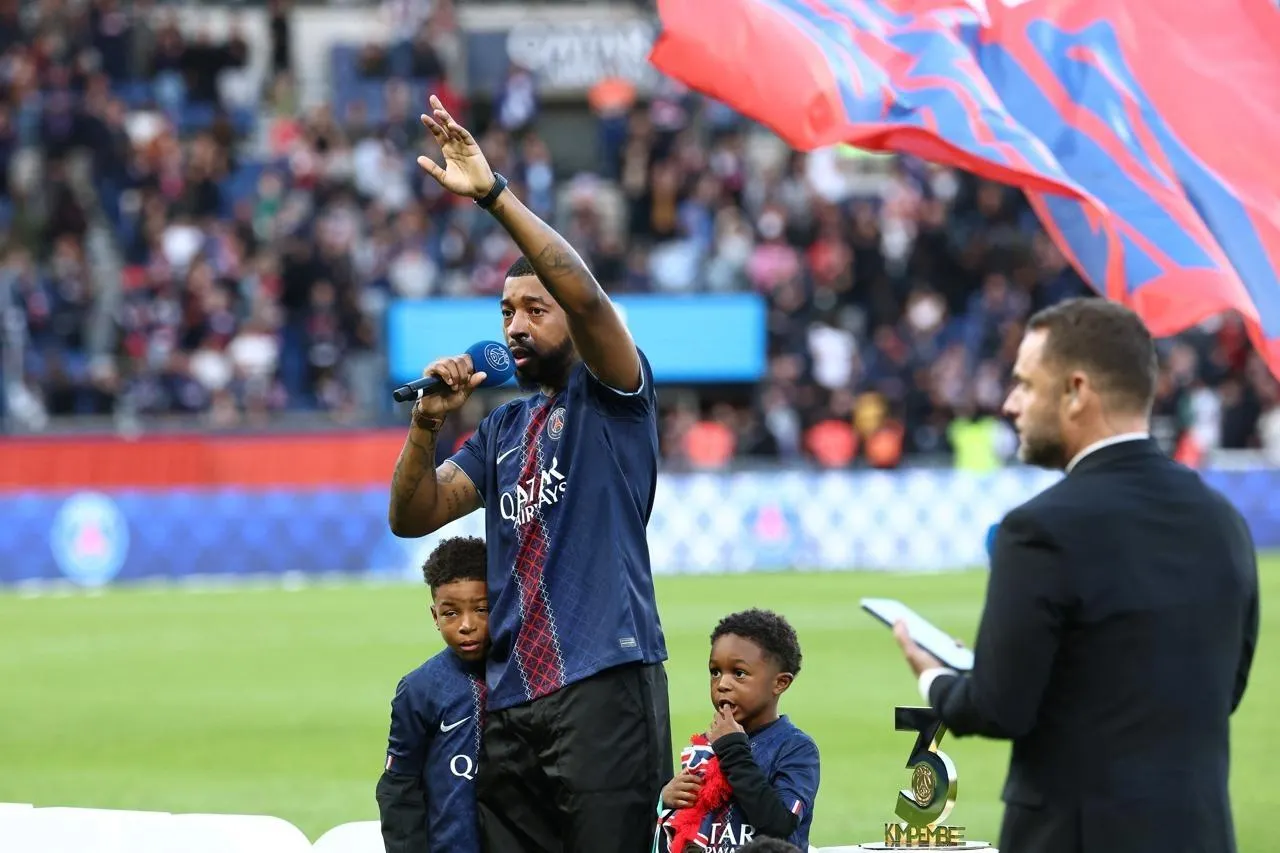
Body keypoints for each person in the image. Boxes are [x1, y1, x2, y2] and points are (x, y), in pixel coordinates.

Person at [386, 95, 671, 853]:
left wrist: (492, 195)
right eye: (505, 308)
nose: (513, 323)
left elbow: (582, 289)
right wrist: (426, 424)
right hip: (513, 701)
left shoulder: (614, 391)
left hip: (604, 682)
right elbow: (413, 514)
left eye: (533, 308)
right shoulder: (505, 429)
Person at [895, 298, 1260, 853]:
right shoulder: (1224, 521)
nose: (1010, 403)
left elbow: (998, 707)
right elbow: (1222, 690)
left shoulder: (1038, 529)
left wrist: (933, 678)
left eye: (1024, 384)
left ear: (1076, 391)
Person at [656, 609, 820, 853]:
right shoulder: (710, 743)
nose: (722, 684)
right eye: (715, 672)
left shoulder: (795, 747)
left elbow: (779, 826)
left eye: (739, 673)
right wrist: (666, 801)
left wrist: (733, 749)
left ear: (779, 683)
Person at [376, 536, 490, 853]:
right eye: (450, 613)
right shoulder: (419, 689)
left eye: (482, 609)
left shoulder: (527, 677)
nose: (467, 625)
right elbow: (399, 788)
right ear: (434, 616)